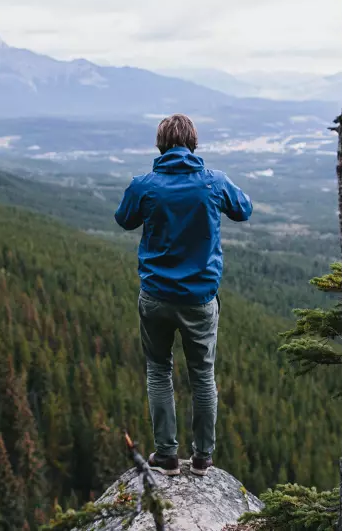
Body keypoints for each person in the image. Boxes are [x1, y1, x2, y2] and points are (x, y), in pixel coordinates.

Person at [114, 113, 253, 477]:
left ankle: (167, 456)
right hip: (199, 298)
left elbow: (124, 219)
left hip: (156, 295)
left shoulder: (145, 184)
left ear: (160, 145)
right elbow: (244, 210)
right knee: (202, 375)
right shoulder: (213, 182)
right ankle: (204, 458)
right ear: (194, 144)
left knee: (159, 370)